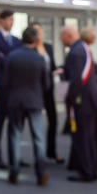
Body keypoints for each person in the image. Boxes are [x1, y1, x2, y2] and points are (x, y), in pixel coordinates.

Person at [4, 25, 51, 186]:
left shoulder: (11, 56)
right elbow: (46, 83)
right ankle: (40, 173)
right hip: (34, 101)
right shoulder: (39, 58)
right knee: (38, 138)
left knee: (15, 136)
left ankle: (14, 172)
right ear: (35, 40)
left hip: (15, 101)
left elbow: (6, 81)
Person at [62, 25, 97, 182]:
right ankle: (92, 168)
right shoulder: (83, 48)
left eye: (62, 36)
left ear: (68, 35)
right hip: (91, 98)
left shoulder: (75, 52)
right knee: (89, 137)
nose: (61, 39)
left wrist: (69, 98)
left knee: (82, 137)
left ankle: (87, 171)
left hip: (82, 100)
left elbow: (77, 79)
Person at [0, 9, 21, 168]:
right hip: (2, 85)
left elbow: (12, 59)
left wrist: (8, 57)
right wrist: (13, 59)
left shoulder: (16, 40)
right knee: (0, 120)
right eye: (8, 19)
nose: (11, 22)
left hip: (15, 85)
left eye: (12, 20)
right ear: (1, 20)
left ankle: (14, 156)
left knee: (14, 122)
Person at [30, 21, 65, 164]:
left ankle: (52, 151)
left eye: (39, 30)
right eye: (35, 31)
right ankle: (38, 154)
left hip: (49, 88)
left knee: (53, 120)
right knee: (35, 121)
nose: (38, 34)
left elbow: (53, 66)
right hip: (36, 89)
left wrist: (60, 70)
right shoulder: (30, 49)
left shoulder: (48, 47)